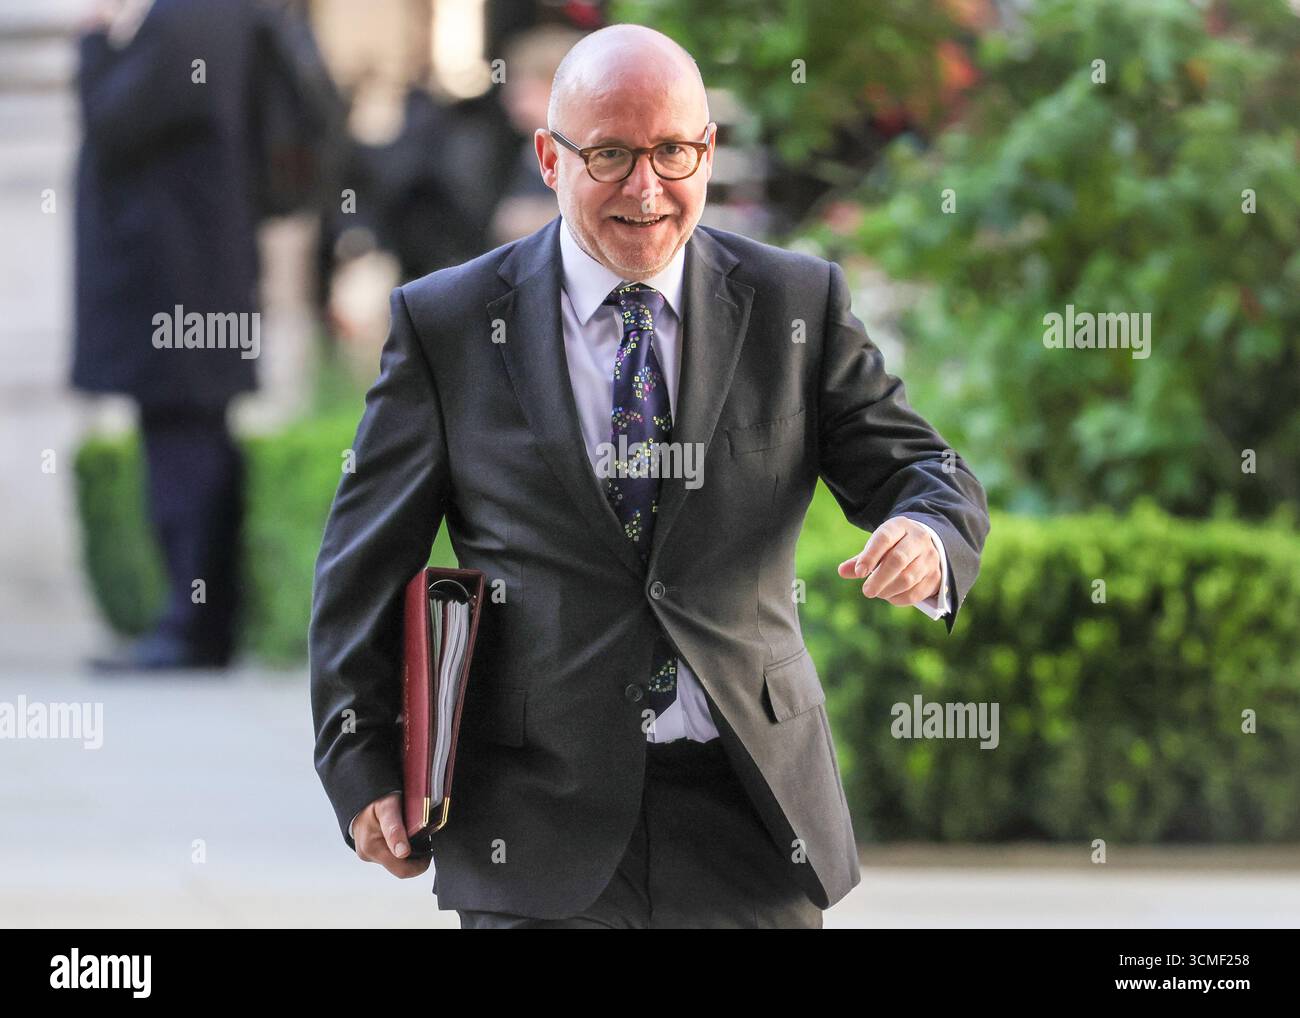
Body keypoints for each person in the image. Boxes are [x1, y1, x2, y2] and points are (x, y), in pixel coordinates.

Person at [309, 24, 989, 928]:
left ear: (707, 149)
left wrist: (928, 537)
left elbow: (925, 471)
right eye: (612, 154)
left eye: (673, 152)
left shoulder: (795, 304)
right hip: (533, 821)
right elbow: (363, 566)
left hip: (750, 817)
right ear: (550, 158)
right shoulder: (452, 324)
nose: (647, 188)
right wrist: (360, 765)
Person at [74, 0, 263, 670]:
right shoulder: (211, 16)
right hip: (195, 280)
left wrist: (96, 42)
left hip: (181, 284)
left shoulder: (186, 19)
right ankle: (198, 625)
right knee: (191, 439)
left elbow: (114, 120)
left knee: (184, 446)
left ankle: (191, 628)